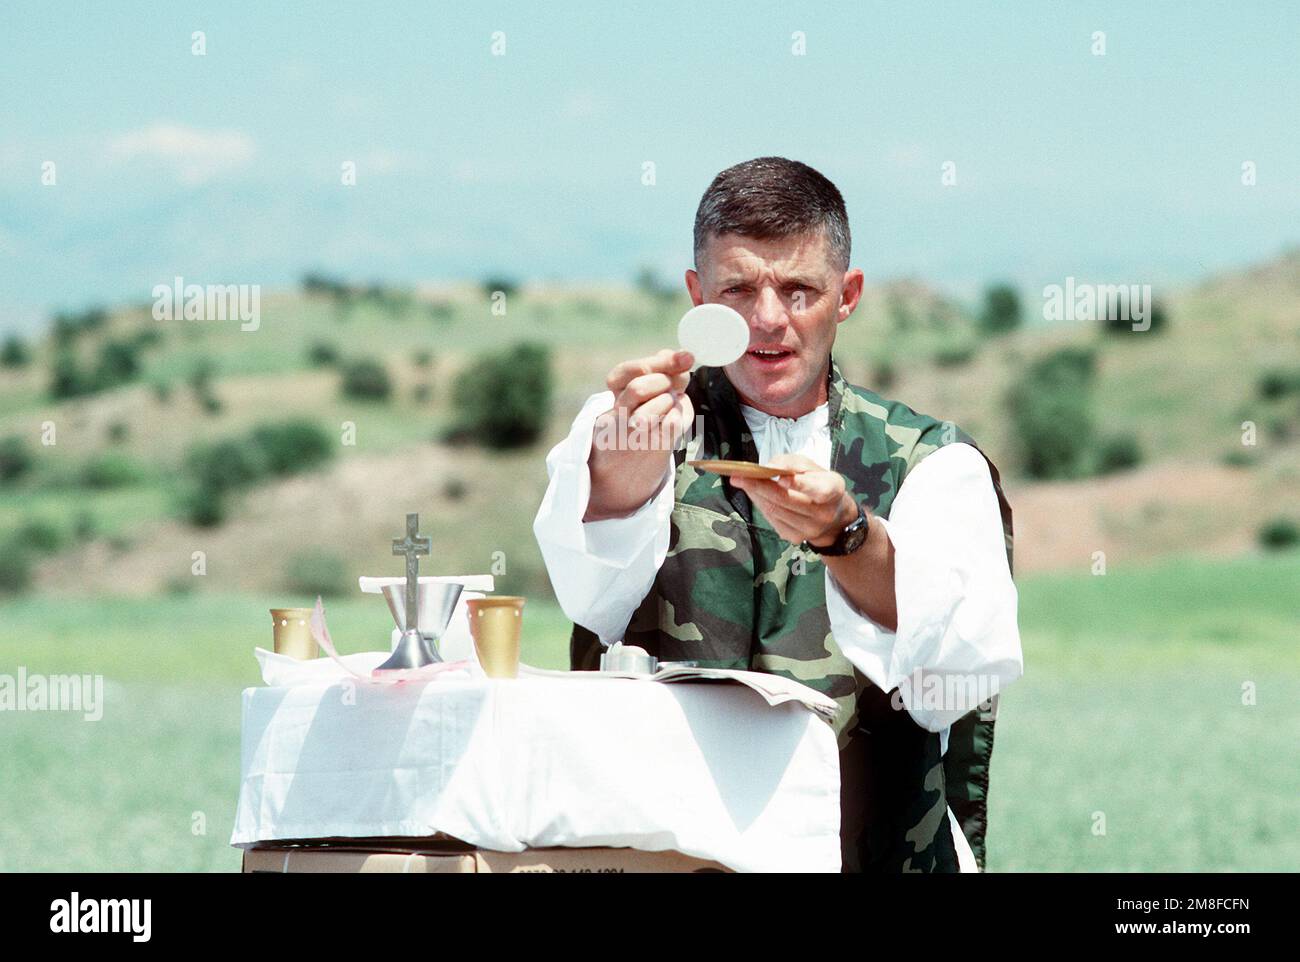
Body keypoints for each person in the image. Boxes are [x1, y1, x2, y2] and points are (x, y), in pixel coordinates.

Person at [533, 156, 1022, 872]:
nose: (768, 320)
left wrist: (848, 538)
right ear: (697, 296)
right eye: (738, 289)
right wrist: (619, 476)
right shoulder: (627, 430)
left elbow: (962, 669)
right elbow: (587, 593)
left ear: (847, 295)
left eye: (799, 290)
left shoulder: (932, 463)